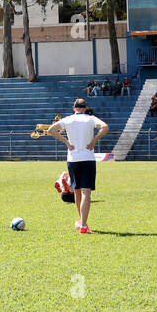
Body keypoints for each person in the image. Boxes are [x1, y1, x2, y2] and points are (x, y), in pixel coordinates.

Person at [45, 98, 109, 234]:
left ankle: (81, 222)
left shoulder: (68, 120)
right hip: (87, 158)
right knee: (86, 192)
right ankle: (83, 225)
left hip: (73, 159)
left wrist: (66, 142)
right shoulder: (91, 119)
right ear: (85, 108)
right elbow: (105, 127)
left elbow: (51, 130)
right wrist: (94, 140)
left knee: (77, 191)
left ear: (74, 108)